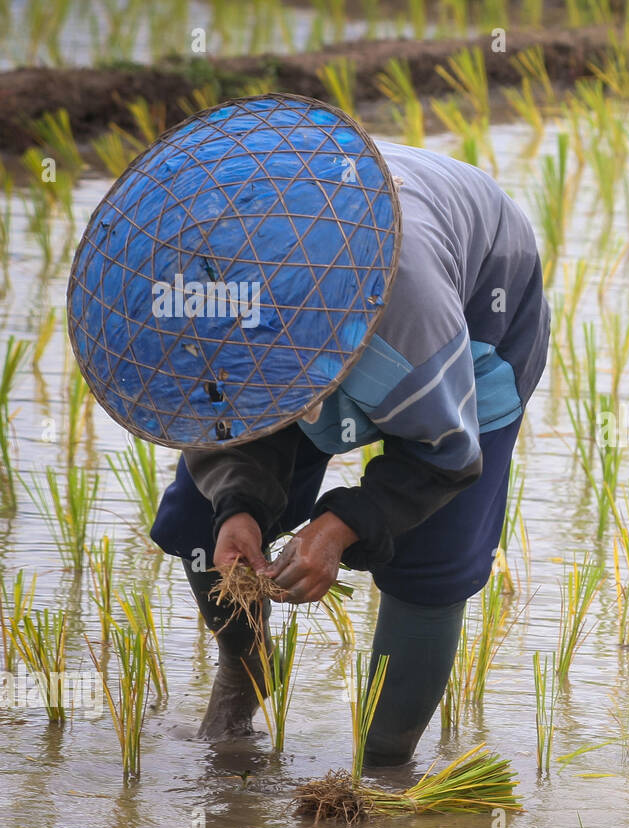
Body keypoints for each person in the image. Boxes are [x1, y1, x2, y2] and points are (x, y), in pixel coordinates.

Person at [67, 95, 549, 766]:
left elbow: (447, 452)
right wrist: (239, 506)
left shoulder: (410, 323)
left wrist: (342, 522)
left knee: (429, 562)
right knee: (201, 518)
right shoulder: (210, 285)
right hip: (296, 295)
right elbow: (225, 414)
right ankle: (250, 667)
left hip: (480, 307)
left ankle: (384, 766)